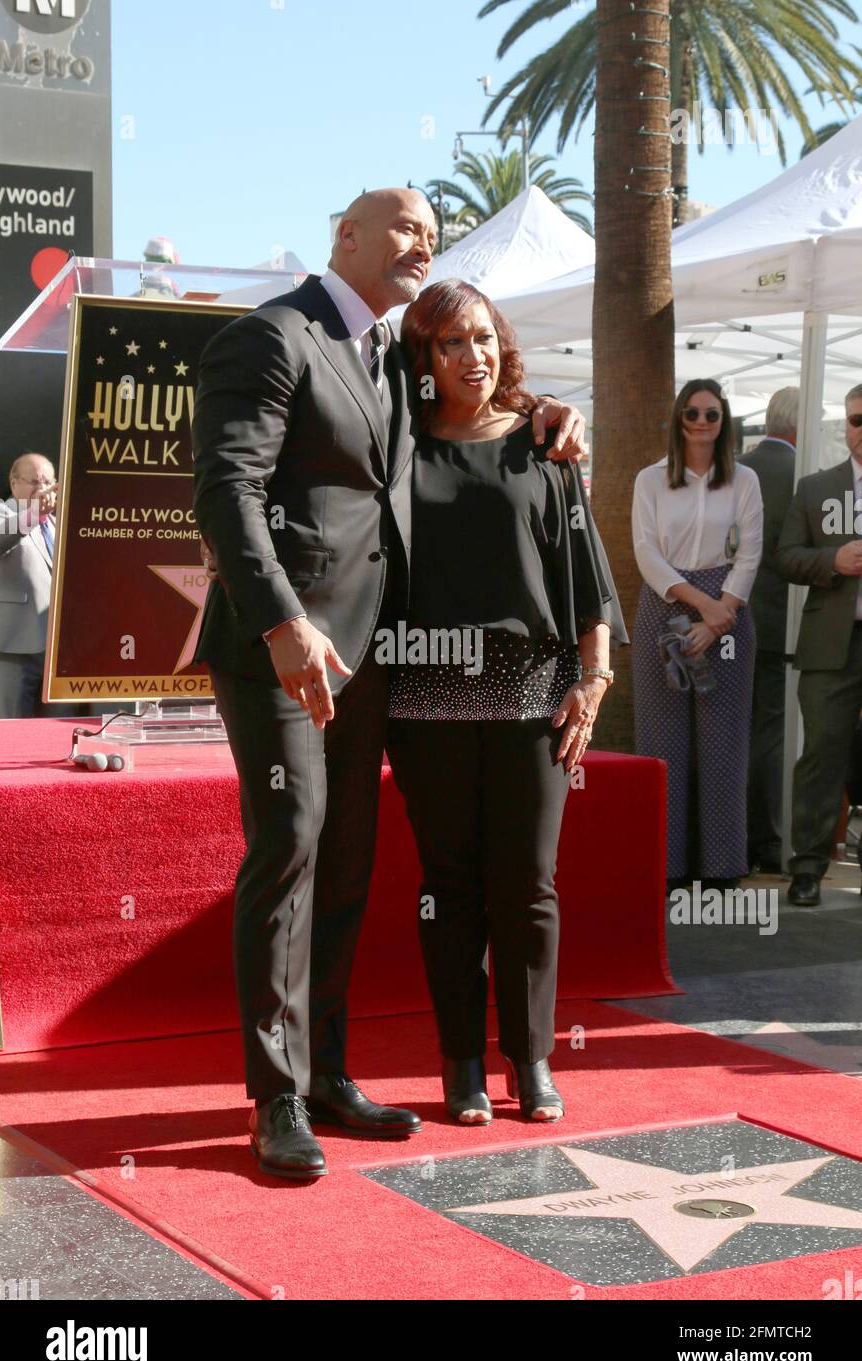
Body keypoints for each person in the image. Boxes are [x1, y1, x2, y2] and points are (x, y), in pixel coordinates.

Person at [191, 188, 586, 1180]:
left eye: (431, 232)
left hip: (372, 659)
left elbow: (473, 413)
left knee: (348, 864)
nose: (421, 241)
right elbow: (225, 489)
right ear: (347, 235)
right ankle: (274, 1096)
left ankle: (325, 1073)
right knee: (289, 845)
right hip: (279, 651)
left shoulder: (388, 361)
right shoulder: (274, 336)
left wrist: (540, 412)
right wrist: (282, 622)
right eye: (404, 224)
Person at [384, 279, 626, 1126]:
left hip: (533, 697)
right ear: (424, 357)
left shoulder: (543, 447)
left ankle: (531, 1062)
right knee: (448, 888)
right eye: (450, 342)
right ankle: (460, 1068)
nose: (472, 355)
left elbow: (587, 581)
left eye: (483, 337)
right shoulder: (398, 446)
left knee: (528, 886)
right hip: (423, 698)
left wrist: (591, 684)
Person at [632, 380, 763, 890]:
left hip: (728, 612)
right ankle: (665, 865)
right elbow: (646, 552)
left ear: (724, 419)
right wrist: (703, 606)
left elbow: (750, 553)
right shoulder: (650, 480)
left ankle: (722, 866)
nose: (702, 422)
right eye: (693, 413)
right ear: (679, 419)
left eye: (712, 414)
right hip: (666, 604)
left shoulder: (745, 480)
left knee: (724, 741)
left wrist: (720, 614)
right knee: (662, 742)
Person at [775, 384, 862, 907]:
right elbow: (785, 557)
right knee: (821, 754)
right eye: (856, 420)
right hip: (832, 642)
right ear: (845, 426)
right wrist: (834, 561)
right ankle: (806, 868)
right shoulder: (815, 488)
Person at [743, 387, 799, 874]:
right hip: (781, 621)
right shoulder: (801, 475)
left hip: (730, 618)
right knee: (771, 732)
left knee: (737, 730)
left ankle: (734, 839)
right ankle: (769, 841)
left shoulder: (740, 468)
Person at [0, 454, 58, 718]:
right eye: (34, 481)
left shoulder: (57, 523)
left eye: (47, 482)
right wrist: (34, 514)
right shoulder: (2, 512)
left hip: (55, 650)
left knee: (53, 733)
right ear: (13, 483)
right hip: (13, 646)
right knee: (9, 728)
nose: (42, 489)